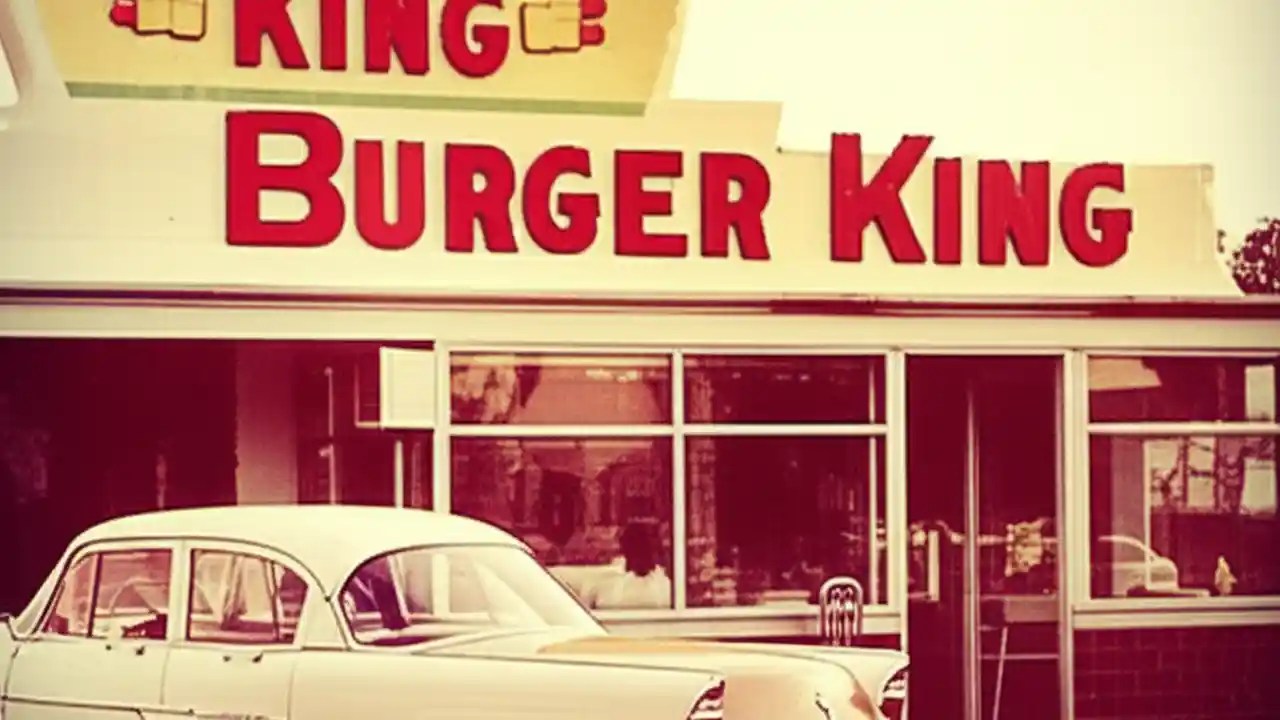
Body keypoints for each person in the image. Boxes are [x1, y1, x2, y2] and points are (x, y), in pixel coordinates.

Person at [592, 522, 671, 610]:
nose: (642, 555)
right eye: (638, 549)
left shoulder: (665, 585)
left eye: (645, 549)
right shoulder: (608, 582)